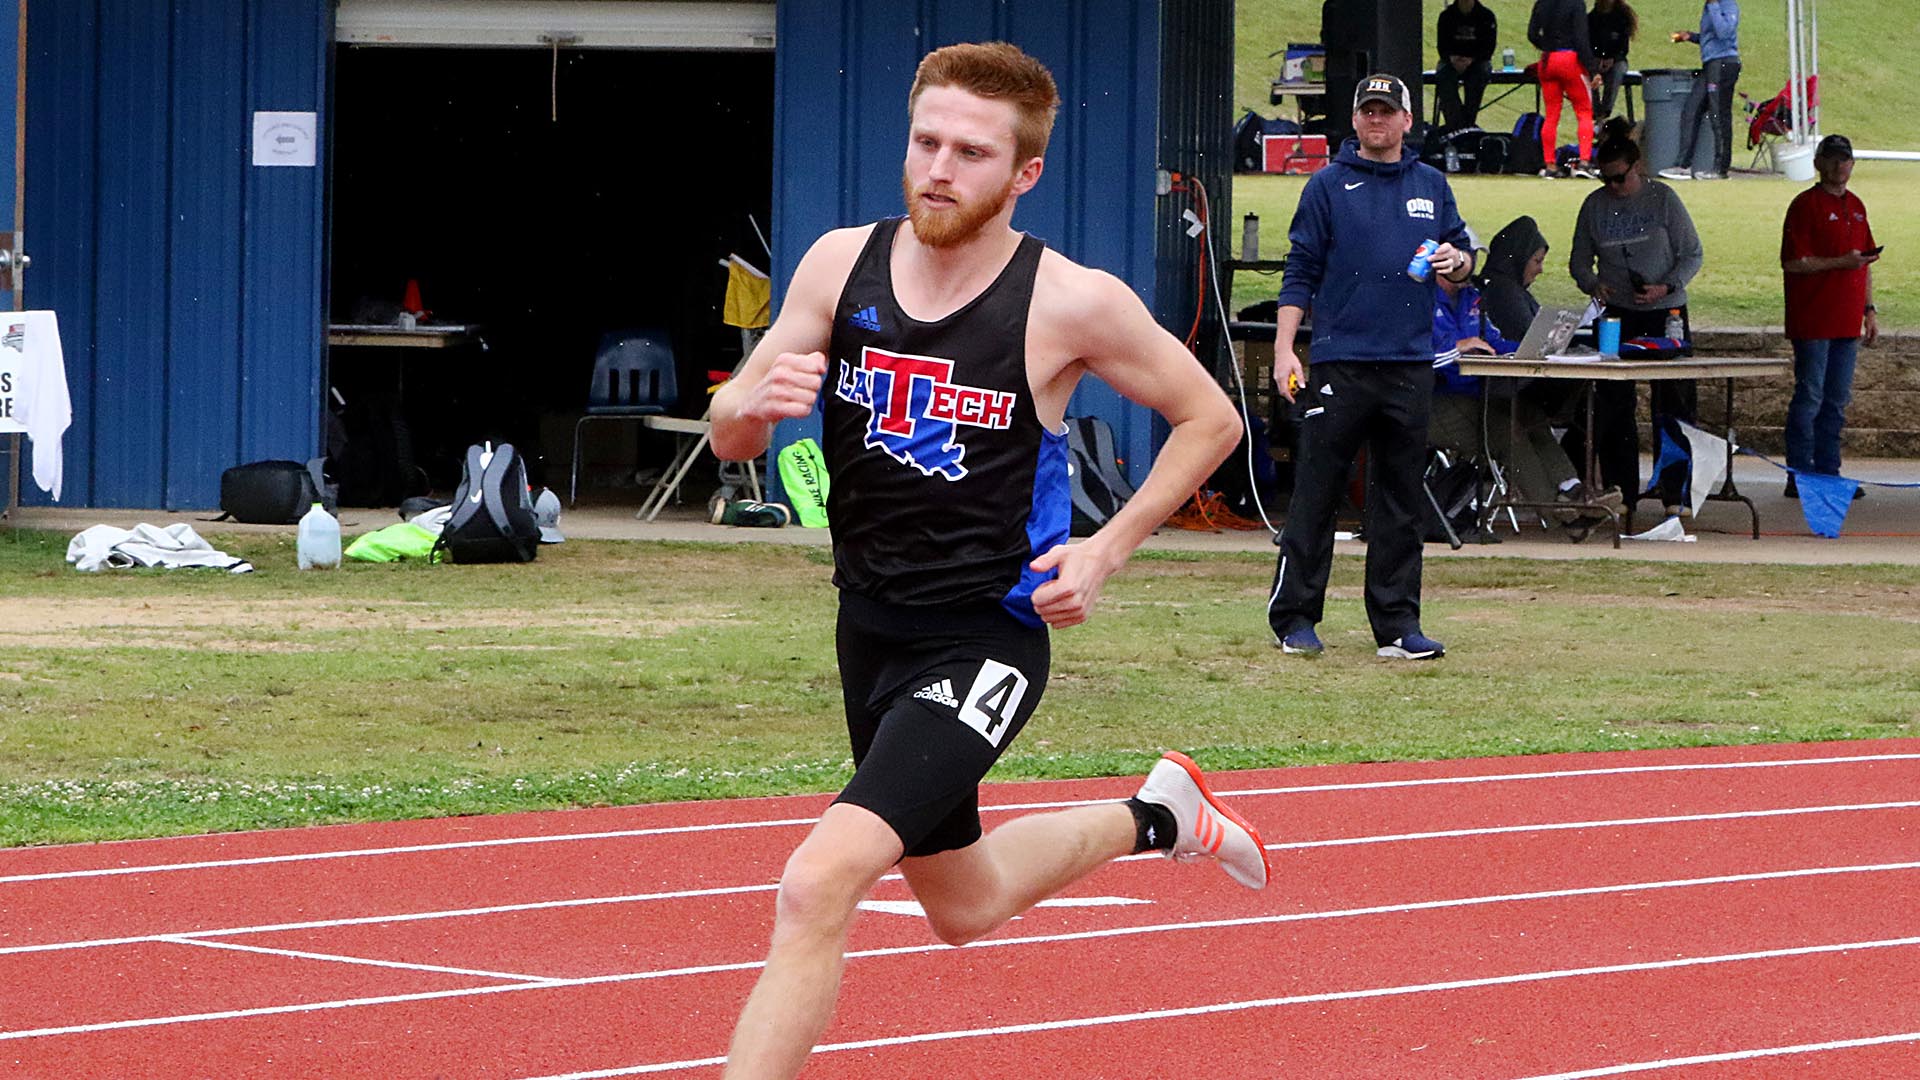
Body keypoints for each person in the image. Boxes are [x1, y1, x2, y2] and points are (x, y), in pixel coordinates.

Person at [707, 42, 1269, 1080]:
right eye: (926, 141)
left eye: (970, 152)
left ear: (1024, 174)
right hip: (868, 625)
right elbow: (732, 432)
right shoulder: (839, 264)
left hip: (987, 635)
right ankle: (1159, 815)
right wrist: (744, 409)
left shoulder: (1069, 302)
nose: (938, 168)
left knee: (817, 880)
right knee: (964, 905)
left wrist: (1105, 549)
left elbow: (1209, 418)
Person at [1267, 73, 1472, 661]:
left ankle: (1397, 625)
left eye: (1388, 111)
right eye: (1368, 111)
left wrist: (1455, 260)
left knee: (1402, 497)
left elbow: (1461, 261)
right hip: (1340, 361)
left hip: (1409, 363)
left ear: (1408, 120)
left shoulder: (1431, 185)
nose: (1377, 120)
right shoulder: (1327, 186)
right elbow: (1299, 271)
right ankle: (1295, 618)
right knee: (1316, 492)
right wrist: (1286, 350)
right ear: (1354, 120)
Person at [1429, 254, 1622, 542]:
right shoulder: (1418, 300)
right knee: (1509, 433)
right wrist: (1460, 348)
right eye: (1462, 259)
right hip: (1434, 403)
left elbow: (1493, 342)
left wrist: (1534, 350)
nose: (1469, 264)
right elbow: (1416, 355)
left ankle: (1574, 491)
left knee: (1530, 415)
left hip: (1474, 396)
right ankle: (1562, 515)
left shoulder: (1472, 298)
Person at [1568, 133, 1704, 512]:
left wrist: (1666, 286)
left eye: (1619, 178)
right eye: (1605, 179)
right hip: (1618, 314)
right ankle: (1621, 489)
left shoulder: (1662, 199)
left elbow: (1692, 253)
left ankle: (1675, 491)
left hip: (1666, 313)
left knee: (1673, 404)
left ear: (1637, 167)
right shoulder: (1594, 206)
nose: (1613, 187)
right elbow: (1579, 261)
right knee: (1613, 403)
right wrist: (1595, 285)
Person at [1780, 133, 1880, 498]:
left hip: (1846, 319)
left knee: (1836, 401)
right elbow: (1794, 261)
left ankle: (1828, 471)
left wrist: (1869, 309)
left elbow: (1866, 263)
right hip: (1813, 318)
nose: (1840, 167)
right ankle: (1800, 473)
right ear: (1819, 163)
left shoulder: (1857, 206)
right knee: (1810, 396)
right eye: (1833, 159)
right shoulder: (1805, 206)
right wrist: (1842, 263)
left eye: (1846, 160)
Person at [1659, 0, 1740, 181]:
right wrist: (1691, 37)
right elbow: (1711, 37)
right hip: (1711, 64)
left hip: (1724, 63)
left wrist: (1713, 6)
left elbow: (1724, 32)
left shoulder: (1728, 5)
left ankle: (1720, 168)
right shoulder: (1711, 7)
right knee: (1691, 109)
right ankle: (1682, 165)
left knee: (1719, 114)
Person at [1527, 0, 1602, 177]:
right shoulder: (1576, 4)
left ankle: (1550, 165)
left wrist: (1546, 45)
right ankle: (1584, 162)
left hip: (1547, 61)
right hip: (1570, 60)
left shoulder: (1541, 3)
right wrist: (1592, 69)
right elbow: (1581, 39)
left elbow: (1532, 34)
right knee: (1584, 111)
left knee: (1551, 115)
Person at [1435, 0, 1498, 132]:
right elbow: (1442, 46)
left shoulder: (1486, 16)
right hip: (1451, 61)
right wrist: (1453, 59)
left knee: (1480, 74)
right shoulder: (1446, 16)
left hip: (1477, 62)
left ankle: (1469, 122)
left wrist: (1470, 60)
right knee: (1443, 76)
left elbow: (1488, 48)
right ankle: (1455, 125)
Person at [1588, 0, 1638, 121]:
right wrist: (1598, 57)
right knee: (1589, 71)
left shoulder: (1622, 18)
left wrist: (1613, 58)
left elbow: (1623, 47)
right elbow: (1589, 43)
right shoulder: (1591, 18)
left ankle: (1605, 110)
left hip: (1617, 59)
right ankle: (1594, 109)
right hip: (1596, 58)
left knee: (1617, 72)